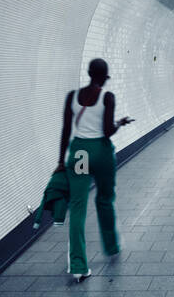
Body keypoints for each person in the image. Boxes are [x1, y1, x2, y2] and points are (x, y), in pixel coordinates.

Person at [57, 58, 133, 283]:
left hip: (80, 152)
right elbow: (108, 130)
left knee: (78, 206)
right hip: (100, 152)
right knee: (105, 199)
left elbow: (65, 131)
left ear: (89, 74)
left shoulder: (72, 97)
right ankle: (111, 246)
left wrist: (61, 161)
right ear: (105, 77)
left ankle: (79, 266)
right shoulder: (107, 97)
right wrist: (120, 123)